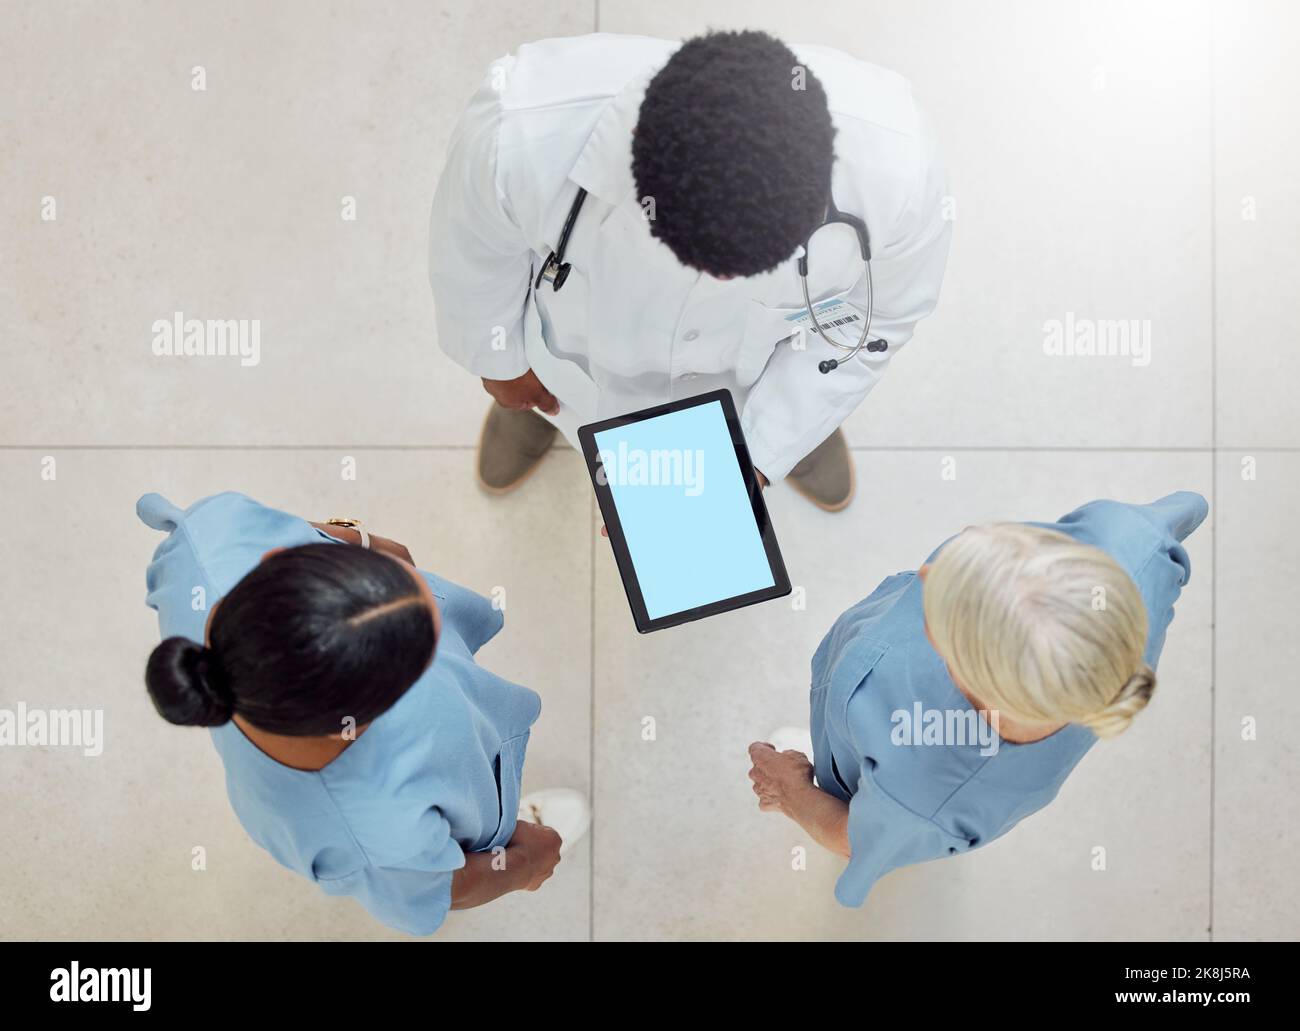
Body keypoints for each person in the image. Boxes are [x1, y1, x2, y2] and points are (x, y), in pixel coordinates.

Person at [429, 29, 950, 511]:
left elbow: (879, 316)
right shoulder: (516, 130)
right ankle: (533, 414)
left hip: (769, 359)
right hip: (570, 361)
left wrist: (766, 451)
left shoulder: (900, 168)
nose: (721, 281)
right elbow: (472, 262)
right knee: (538, 389)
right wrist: (500, 363)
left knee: (798, 413)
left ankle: (799, 434)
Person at [138, 491, 590, 935]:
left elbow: (317, 535)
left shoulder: (213, 534)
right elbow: (441, 888)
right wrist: (522, 863)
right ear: (359, 724)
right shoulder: (368, 833)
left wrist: (356, 540)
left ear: (278, 559)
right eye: (418, 661)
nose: (405, 562)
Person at [747, 492, 1207, 906]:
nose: (931, 570)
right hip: (871, 662)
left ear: (977, 683)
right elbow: (1188, 507)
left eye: (948, 607)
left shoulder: (929, 790)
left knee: (846, 775)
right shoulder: (1129, 544)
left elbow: (852, 837)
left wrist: (792, 789)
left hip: (860, 752)